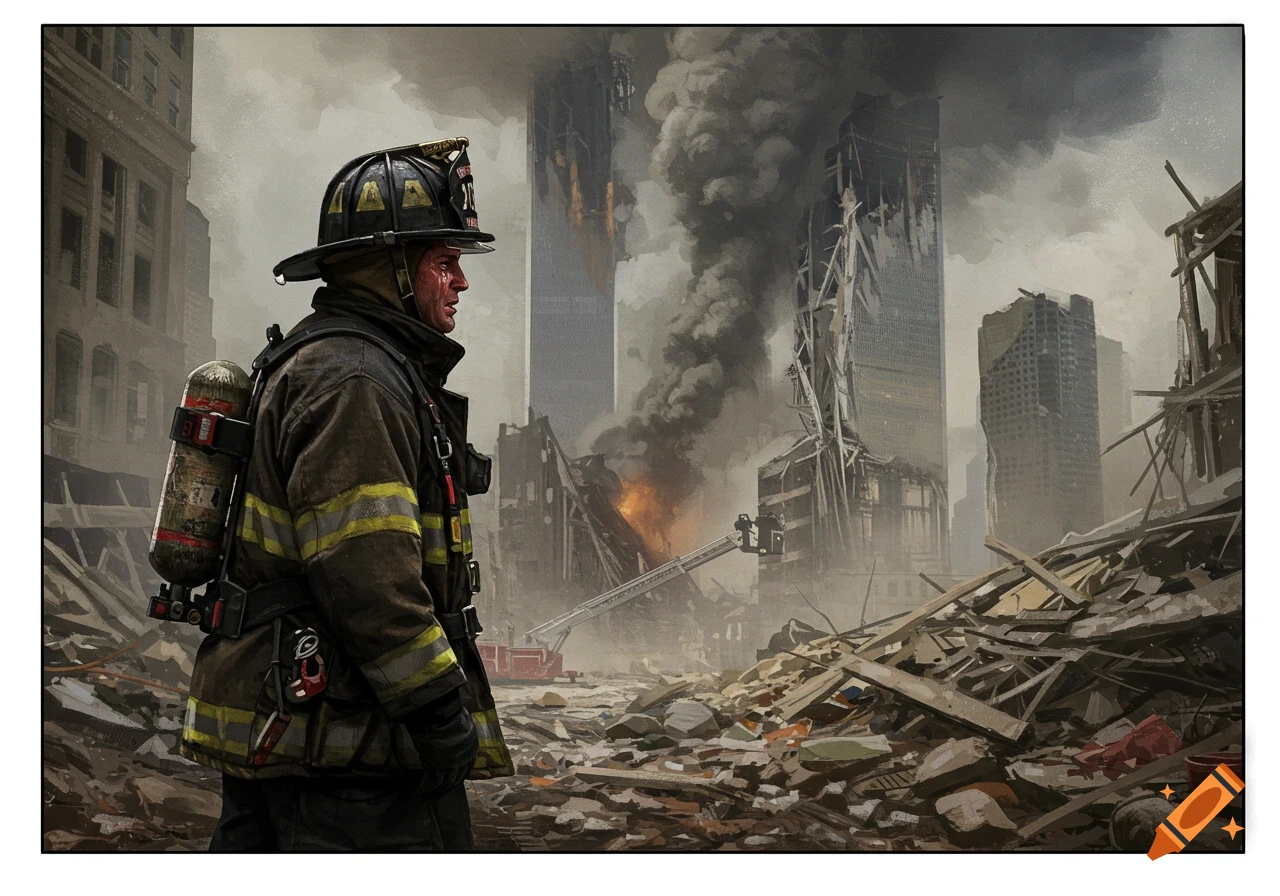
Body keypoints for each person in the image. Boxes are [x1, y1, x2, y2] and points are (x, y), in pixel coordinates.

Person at [180, 138, 513, 851]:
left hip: (304, 731)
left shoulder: (346, 363)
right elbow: (366, 573)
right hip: (344, 750)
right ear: (390, 269)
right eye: (444, 261)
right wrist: (435, 708)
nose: (461, 282)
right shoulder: (356, 380)